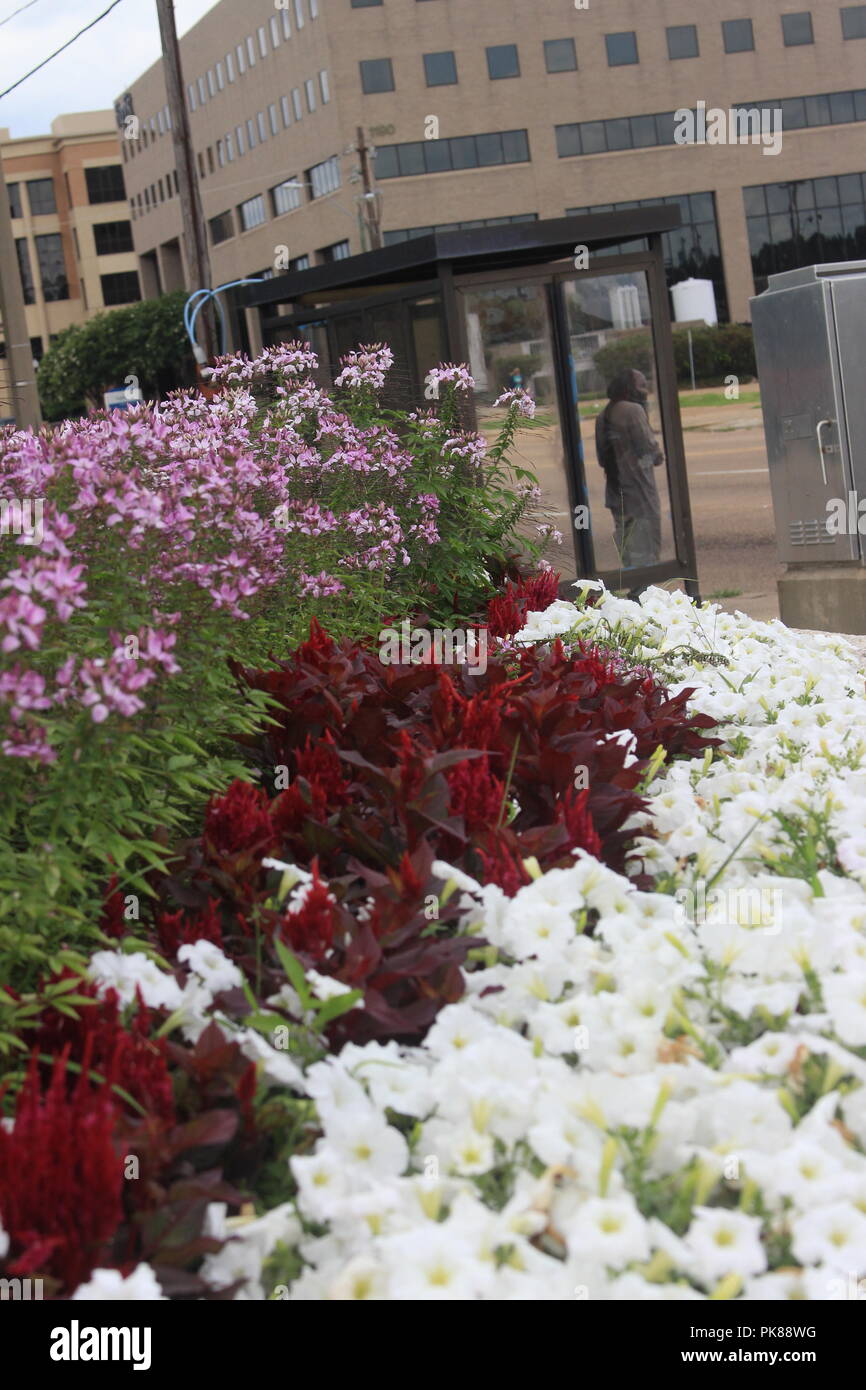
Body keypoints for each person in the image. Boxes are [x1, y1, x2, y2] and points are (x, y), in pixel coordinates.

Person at [594, 367, 665, 571]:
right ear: (629, 388)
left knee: (630, 554)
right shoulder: (633, 410)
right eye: (642, 385)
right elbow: (650, 451)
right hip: (640, 494)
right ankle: (643, 596)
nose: (646, 391)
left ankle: (636, 593)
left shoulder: (602, 416)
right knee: (648, 554)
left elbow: (601, 459)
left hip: (617, 495)